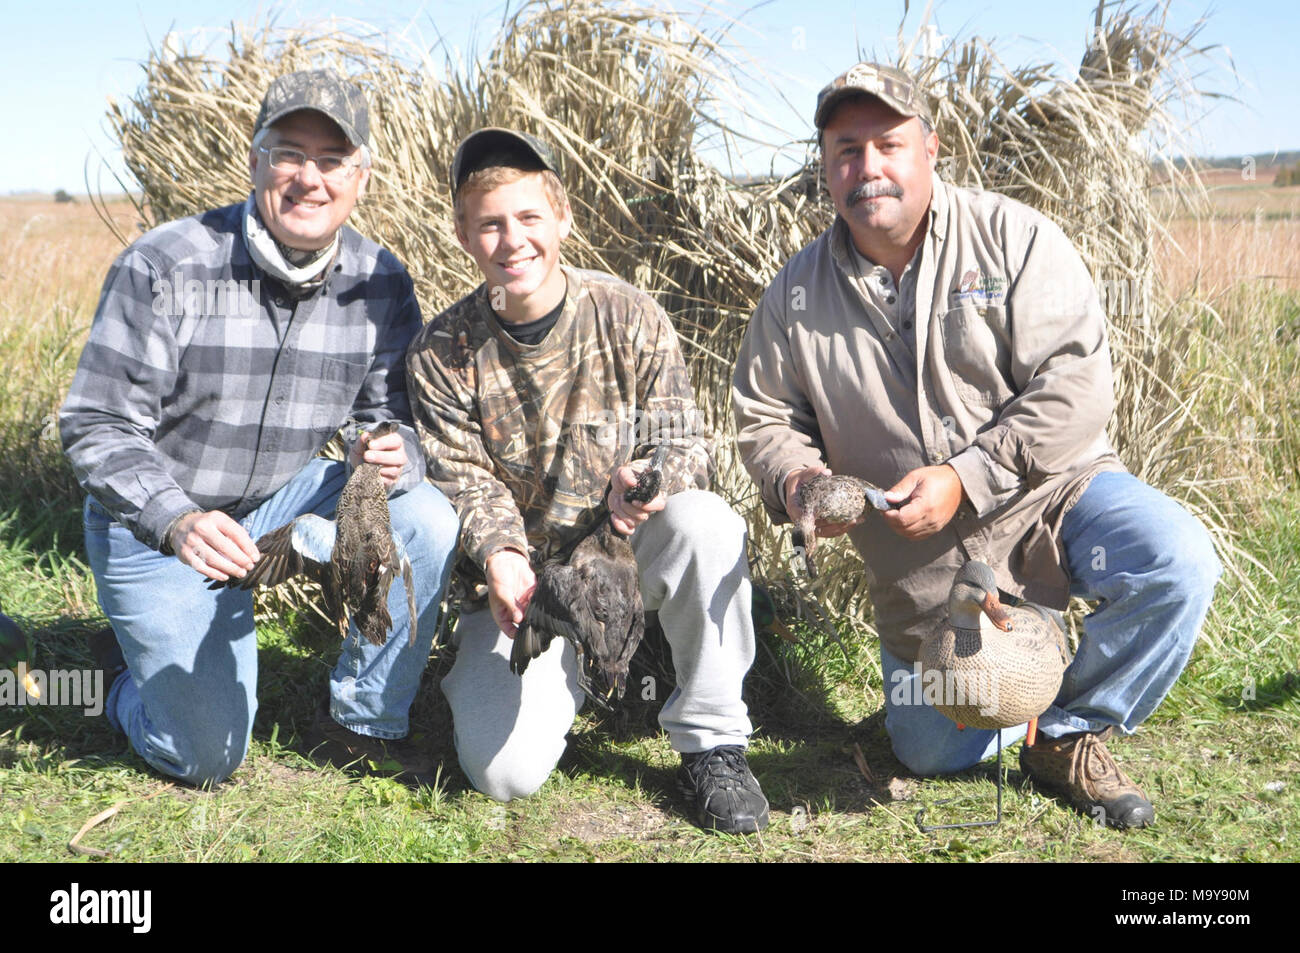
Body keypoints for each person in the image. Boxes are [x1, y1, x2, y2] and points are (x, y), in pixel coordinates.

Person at [731, 63, 1221, 829]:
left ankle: (1065, 731)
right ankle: (1015, 672)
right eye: (846, 151)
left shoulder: (1014, 237)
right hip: (921, 568)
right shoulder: (794, 294)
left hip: (1053, 500)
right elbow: (764, 417)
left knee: (1177, 558)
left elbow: (1078, 382)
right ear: (825, 168)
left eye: (889, 144)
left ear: (930, 147)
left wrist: (967, 476)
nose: (869, 168)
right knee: (932, 751)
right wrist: (797, 484)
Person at [60, 69, 459, 787]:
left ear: (360, 177)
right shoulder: (167, 264)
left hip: (281, 501)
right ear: (254, 162)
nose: (310, 178)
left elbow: (393, 418)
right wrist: (177, 519)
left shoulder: (382, 281)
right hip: (160, 524)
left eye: (332, 160)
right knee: (206, 756)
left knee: (424, 517)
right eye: (289, 154)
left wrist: (395, 451)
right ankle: (116, 680)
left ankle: (360, 721)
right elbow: (97, 423)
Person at [405, 128, 768, 833]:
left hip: (620, 557)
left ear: (563, 216)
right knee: (503, 775)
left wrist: (650, 479)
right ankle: (585, 674)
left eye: (529, 218)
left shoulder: (630, 315)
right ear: (462, 233)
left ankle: (713, 739)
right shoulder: (440, 353)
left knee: (708, 522)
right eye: (490, 223)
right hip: (525, 593)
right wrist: (502, 558)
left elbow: (684, 442)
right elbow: (463, 479)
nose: (513, 240)